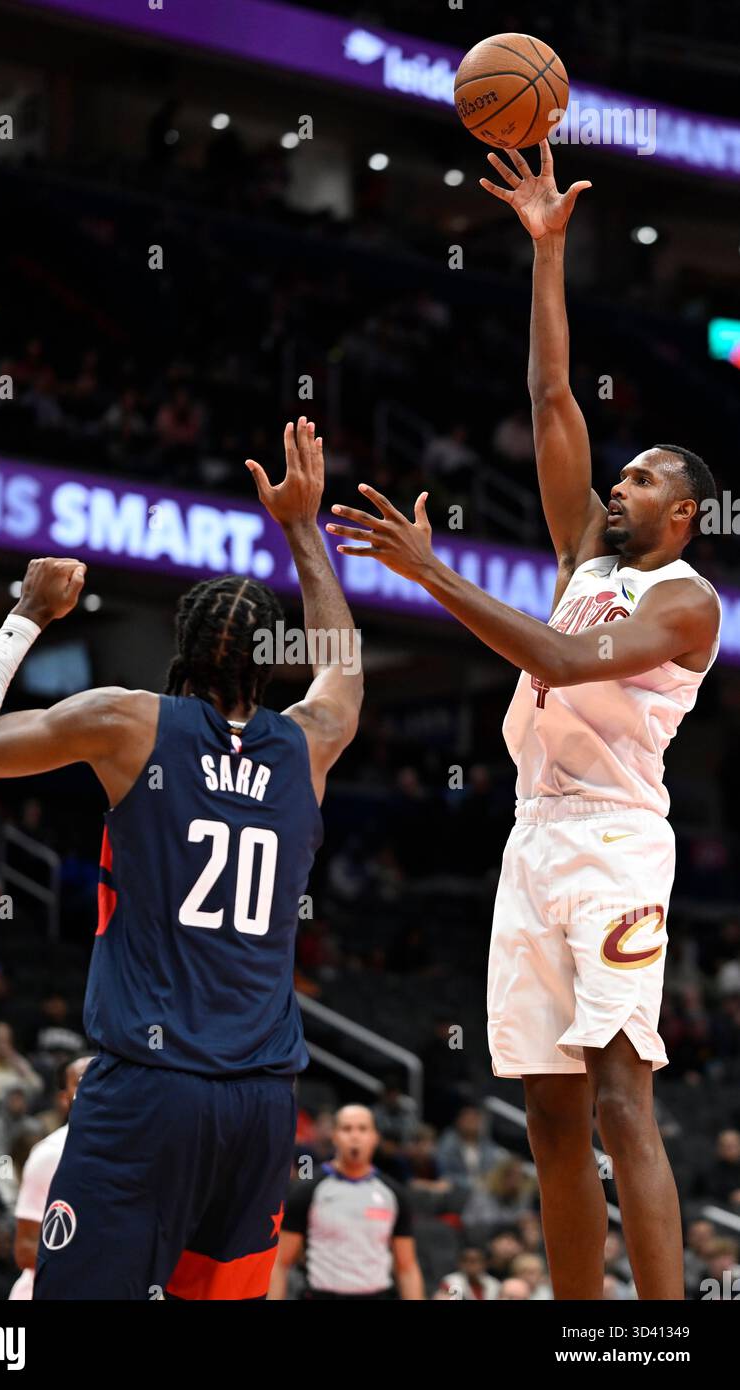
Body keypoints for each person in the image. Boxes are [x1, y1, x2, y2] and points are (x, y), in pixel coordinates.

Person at [325, 141, 720, 1301]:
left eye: (641, 478)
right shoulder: (576, 558)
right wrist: (544, 251)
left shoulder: (681, 601)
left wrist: (430, 576)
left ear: (684, 513)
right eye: (622, 472)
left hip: (610, 841)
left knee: (616, 1094)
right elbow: (550, 397)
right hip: (530, 834)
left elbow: (550, 655)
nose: (619, 486)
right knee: (546, 1107)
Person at [0, 417, 362, 1300]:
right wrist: (303, 529)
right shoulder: (310, 744)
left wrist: (27, 614)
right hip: (262, 1106)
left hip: (150, 1095)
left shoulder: (131, 721)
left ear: (181, 648)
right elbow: (342, 667)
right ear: (272, 662)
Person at [269, 1105, 424, 1300]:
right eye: (347, 1129)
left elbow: (407, 1268)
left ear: (375, 1137)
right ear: (334, 1136)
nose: (355, 1136)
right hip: (322, 1294)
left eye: (362, 1129)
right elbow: (280, 1263)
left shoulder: (393, 1193)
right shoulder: (307, 1190)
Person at [10, 1055, 93, 1300]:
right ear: (64, 1098)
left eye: (102, 1077)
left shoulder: (134, 1152)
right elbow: (24, 1249)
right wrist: (93, 1261)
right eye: (81, 1081)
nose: (94, 1085)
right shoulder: (50, 1154)